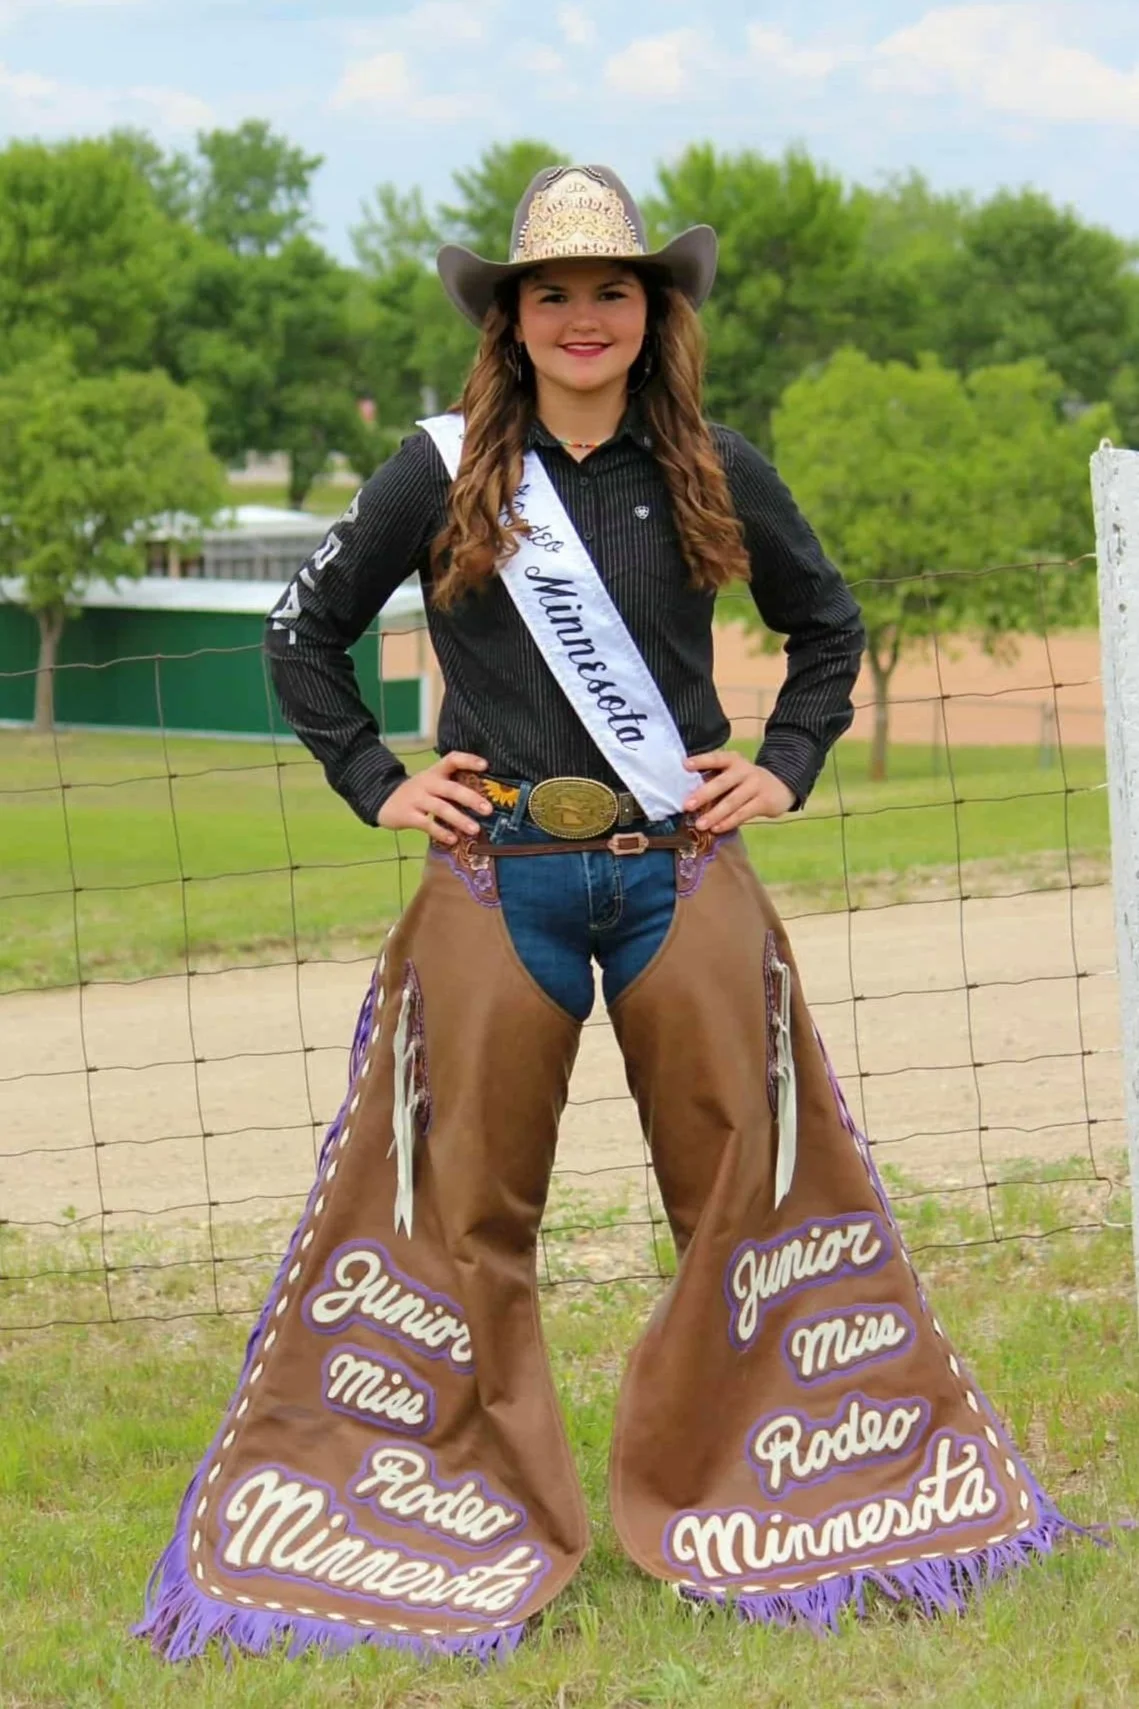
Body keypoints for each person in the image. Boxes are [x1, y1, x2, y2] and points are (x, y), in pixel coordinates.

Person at [138, 165, 1069, 1666]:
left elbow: (826, 627)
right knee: (468, 1217)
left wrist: (783, 766)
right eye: (552, 294)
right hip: (496, 874)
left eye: (611, 291)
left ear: (655, 312)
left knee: (738, 1201)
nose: (583, 317)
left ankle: (728, 1494)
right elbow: (299, 632)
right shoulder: (433, 472)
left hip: (675, 872)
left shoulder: (709, 464)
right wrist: (376, 778)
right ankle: (472, 1504)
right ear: (509, 321)